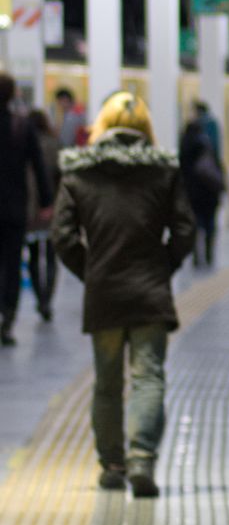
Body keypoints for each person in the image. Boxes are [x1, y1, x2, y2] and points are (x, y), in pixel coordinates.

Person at [52, 90, 195, 497]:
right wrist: (163, 266)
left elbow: (62, 236)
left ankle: (111, 465)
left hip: (106, 293)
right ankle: (141, 460)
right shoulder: (164, 171)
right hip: (149, 290)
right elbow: (185, 230)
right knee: (148, 377)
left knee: (107, 382)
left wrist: (92, 271)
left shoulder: (80, 171)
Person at [0, 74, 53, 346]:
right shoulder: (21, 126)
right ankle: (7, 320)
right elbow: (40, 167)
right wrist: (46, 202)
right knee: (12, 264)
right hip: (14, 208)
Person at [25, 109, 61, 322]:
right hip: (52, 207)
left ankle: (40, 297)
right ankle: (48, 297)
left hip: (30, 208)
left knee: (33, 255)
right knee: (50, 255)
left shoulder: (23, 144)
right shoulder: (54, 144)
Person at [179, 108, 225, 267]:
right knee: (210, 223)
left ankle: (196, 258)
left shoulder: (185, 145)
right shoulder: (207, 144)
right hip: (210, 191)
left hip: (192, 193)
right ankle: (209, 254)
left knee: (195, 224)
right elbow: (218, 166)